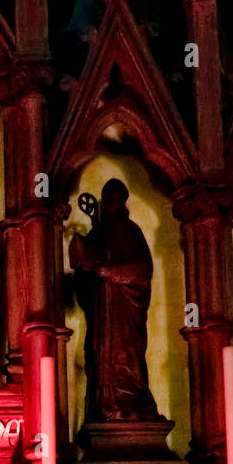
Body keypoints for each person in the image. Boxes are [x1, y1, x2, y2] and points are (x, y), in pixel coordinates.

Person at [70, 179, 158, 421]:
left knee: (128, 358)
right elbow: (85, 280)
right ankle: (107, 406)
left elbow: (143, 270)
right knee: (100, 356)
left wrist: (108, 272)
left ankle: (132, 405)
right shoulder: (98, 234)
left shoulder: (131, 231)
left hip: (125, 313)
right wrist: (83, 265)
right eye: (106, 198)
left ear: (123, 202)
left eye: (114, 198)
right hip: (103, 315)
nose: (110, 203)